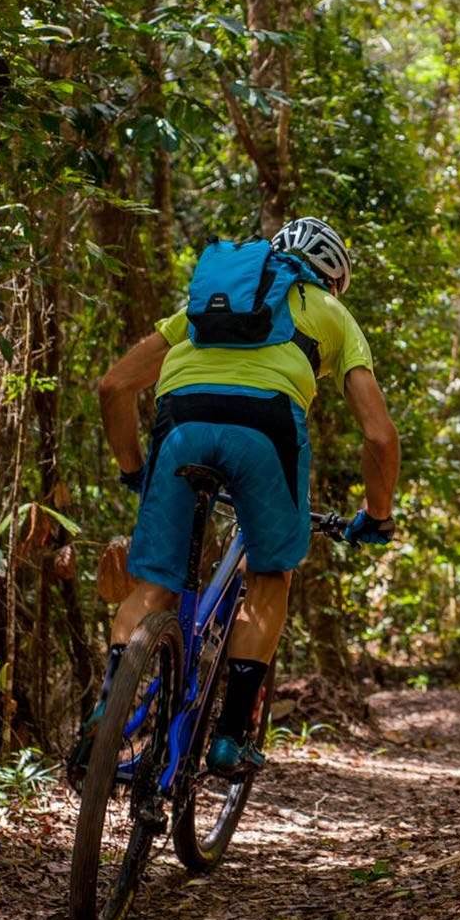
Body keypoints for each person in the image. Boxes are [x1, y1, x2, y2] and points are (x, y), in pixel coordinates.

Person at [76, 217, 400, 778]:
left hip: (179, 425)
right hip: (266, 429)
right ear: (332, 278)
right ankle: (229, 737)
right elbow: (378, 435)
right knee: (270, 576)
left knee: (155, 583)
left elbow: (113, 385)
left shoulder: (206, 306)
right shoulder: (328, 311)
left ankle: (106, 711)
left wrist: (135, 471)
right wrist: (377, 516)